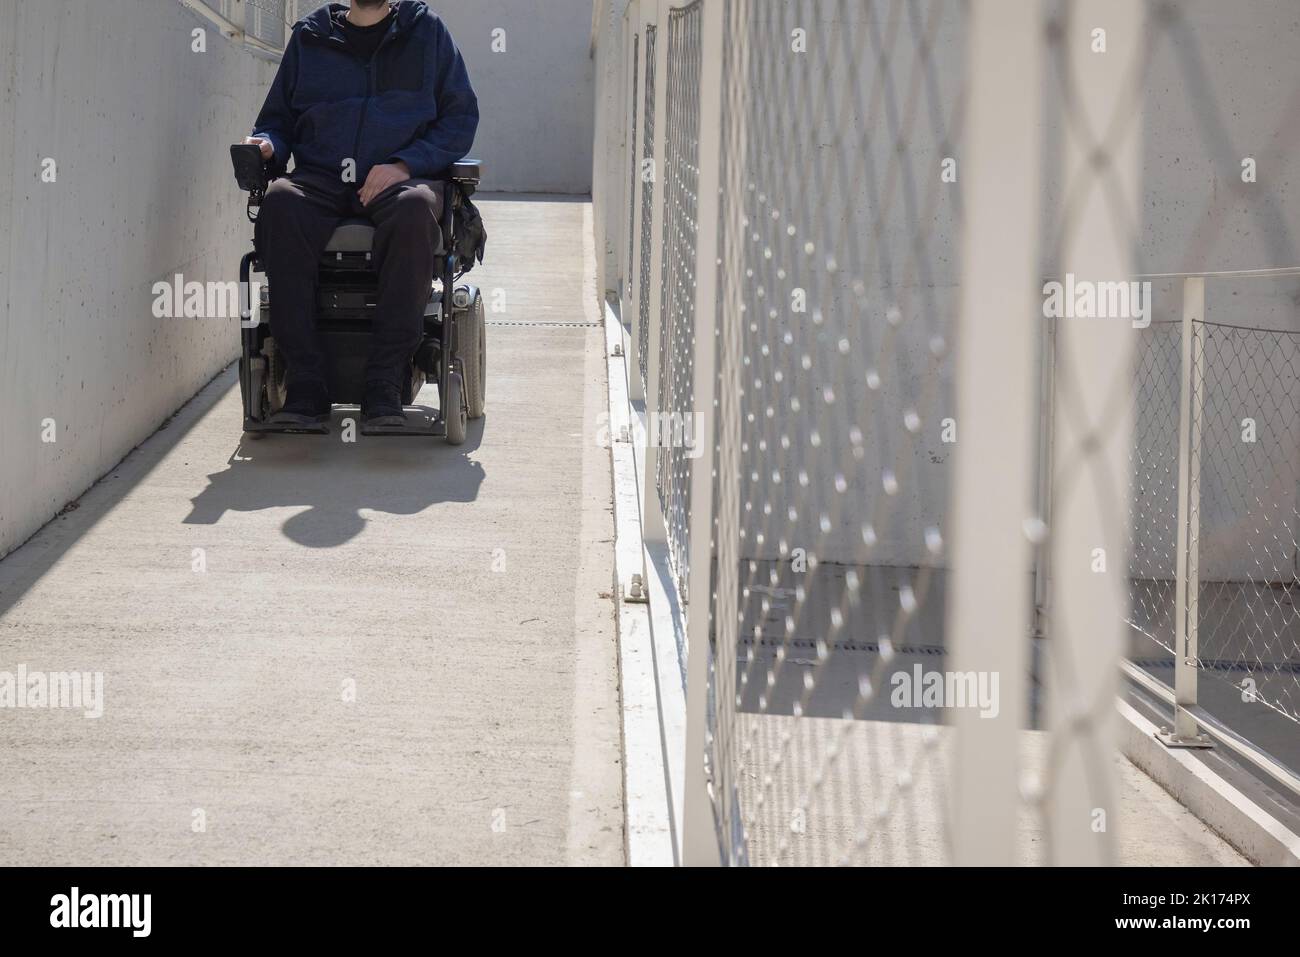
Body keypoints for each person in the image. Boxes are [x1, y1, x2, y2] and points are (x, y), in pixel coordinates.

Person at [244, 0, 478, 428]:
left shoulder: (428, 35)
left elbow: (459, 119)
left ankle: (385, 381)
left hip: (401, 176)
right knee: (281, 200)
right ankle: (306, 384)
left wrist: (405, 164)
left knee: (414, 208)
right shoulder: (310, 38)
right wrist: (267, 144)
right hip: (322, 176)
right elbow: (277, 120)